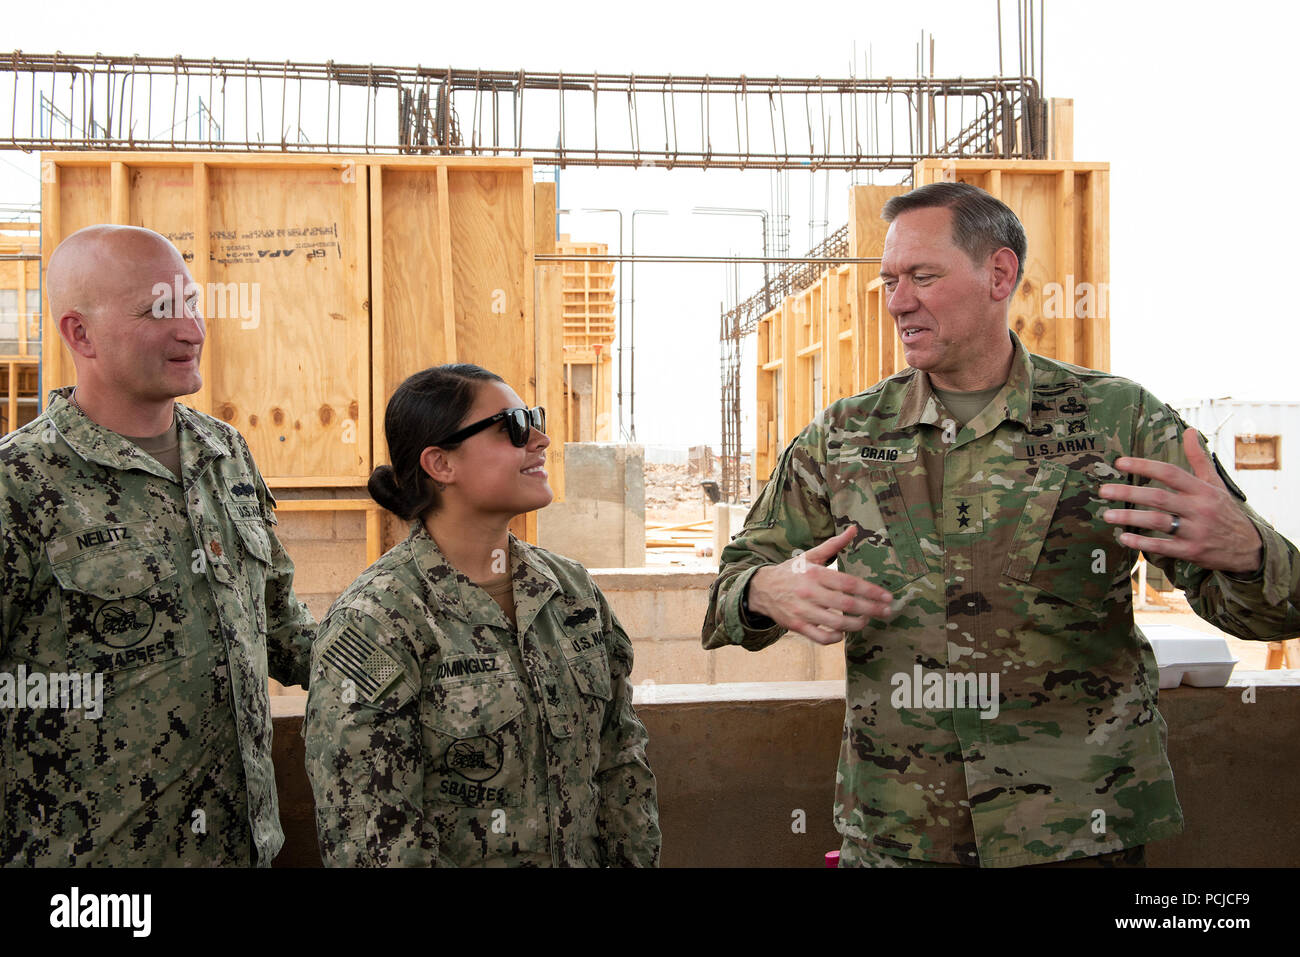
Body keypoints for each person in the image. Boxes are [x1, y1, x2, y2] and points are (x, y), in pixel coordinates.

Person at [703, 181, 1300, 868]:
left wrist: (1249, 552)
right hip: (901, 838)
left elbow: (1273, 612)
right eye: (890, 280)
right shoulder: (842, 436)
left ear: (1000, 274)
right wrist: (763, 591)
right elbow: (728, 593)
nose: (898, 301)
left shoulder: (1118, 423)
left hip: (1074, 836)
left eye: (923, 276)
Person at [0, 224, 315, 866]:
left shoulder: (225, 454)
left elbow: (281, 626)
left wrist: (406, 669)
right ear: (79, 334)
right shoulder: (20, 486)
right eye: (160, 311)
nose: (193, 329)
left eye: (193, 303)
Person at [303, 364, 660, 867]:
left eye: (533, 419)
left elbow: (622, 767)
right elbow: (376, 841)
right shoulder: (377, 623)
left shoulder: (574, 594)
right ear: (441, 464)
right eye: (512, 426)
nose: (539, 439)